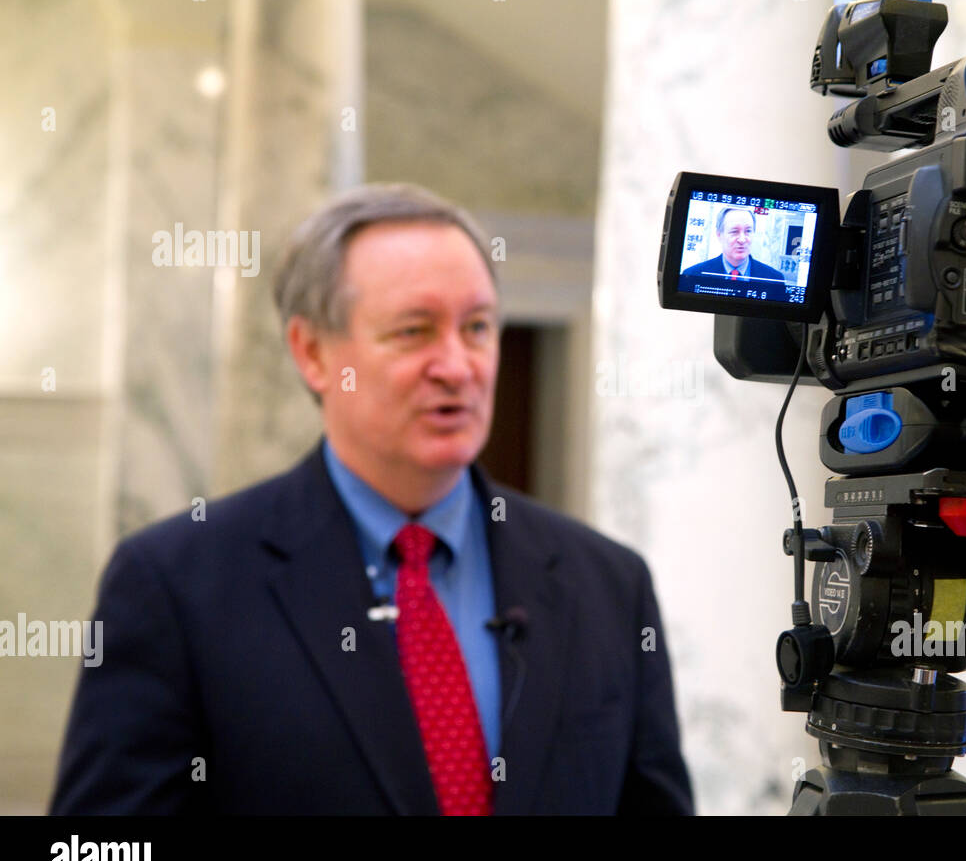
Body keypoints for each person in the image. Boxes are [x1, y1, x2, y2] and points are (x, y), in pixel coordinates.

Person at [49, 183, 694, 815]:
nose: (457, 365)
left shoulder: (608, 586)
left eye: (477, 327)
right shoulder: (177, 585)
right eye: (414, 331)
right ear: (312, 352)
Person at [681, 206, 787, 284]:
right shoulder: (692, 275)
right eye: (734, 231)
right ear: (719, 235)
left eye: (748, 231)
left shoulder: (775, 279)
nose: (742, 239)